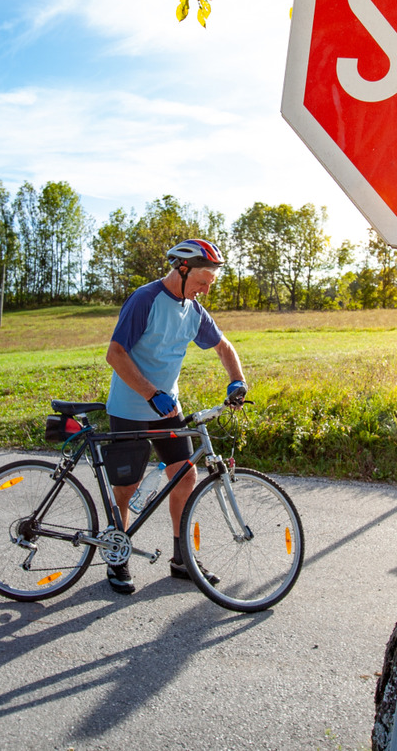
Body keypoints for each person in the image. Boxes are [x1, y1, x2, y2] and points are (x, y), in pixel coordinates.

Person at [102, 238, 248, 595]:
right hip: (130, 408)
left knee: (185, 475)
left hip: (168, 409)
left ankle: (182, 558)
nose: (206, 289)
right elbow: (115, 354)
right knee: (126, 489)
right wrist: (151, 392)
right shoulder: (145, 300)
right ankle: (117, 557)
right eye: (202, 281)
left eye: (210, 283)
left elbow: (223, 346)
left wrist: (237, 381)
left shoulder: (194, 310)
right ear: (181, 270)